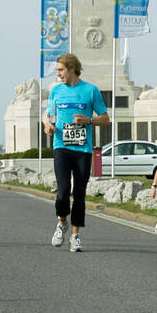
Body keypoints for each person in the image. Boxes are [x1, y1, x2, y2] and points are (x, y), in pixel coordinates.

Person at [42, 53, 109, 252]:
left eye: (61, 70)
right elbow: (48, 115)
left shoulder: (90, 90)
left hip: (83, 149)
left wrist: (88, 121)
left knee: (79, 193)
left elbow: (105, 118)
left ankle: (75, 235)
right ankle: (62, 222)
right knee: (62, 192)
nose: (58, 74)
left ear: (72, 69)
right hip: (61, 146)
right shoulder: (56, 91)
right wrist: (47, 125)